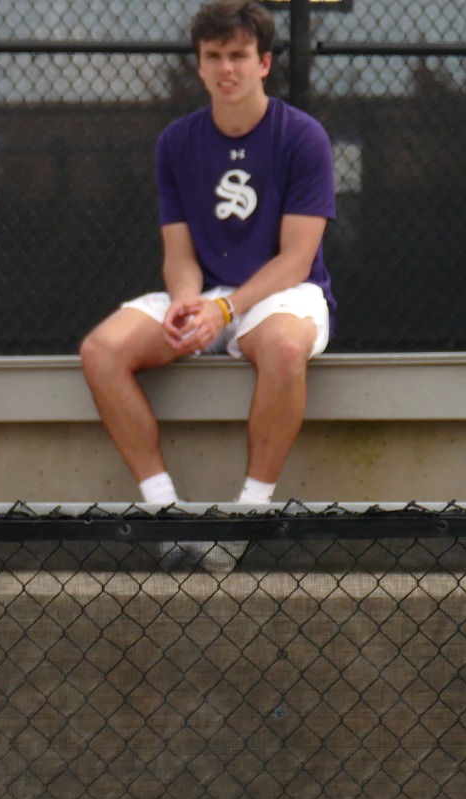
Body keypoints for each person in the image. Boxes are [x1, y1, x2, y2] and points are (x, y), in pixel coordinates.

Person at [79, 0, 335, 539]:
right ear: (198, 64)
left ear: (264, 63)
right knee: (101, 350)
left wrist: (226, 309)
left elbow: (297, 258)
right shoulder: (175, 141)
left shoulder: (303, 136)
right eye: (213, 55)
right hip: (210, 296)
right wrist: (186, 301)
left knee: (287, 349)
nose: (226, 69)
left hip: (282, 293)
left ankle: (246, 520)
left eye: (239, 55)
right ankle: (166, 517)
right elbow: (179, 252)